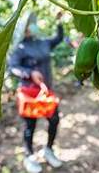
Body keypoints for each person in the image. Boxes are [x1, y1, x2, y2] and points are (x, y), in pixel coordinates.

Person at [8, 12, 64, 173]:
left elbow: (58, 39)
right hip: (30, 94)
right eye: (29, 26)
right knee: (29, 126)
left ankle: (48, 149)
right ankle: (29, 155)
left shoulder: (43, 43)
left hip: (46, 92)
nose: (32, 27)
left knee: (54, 120)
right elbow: (13, 67)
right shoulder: (20, 48)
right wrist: (29, 72)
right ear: (24, 30)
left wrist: (59, 22)